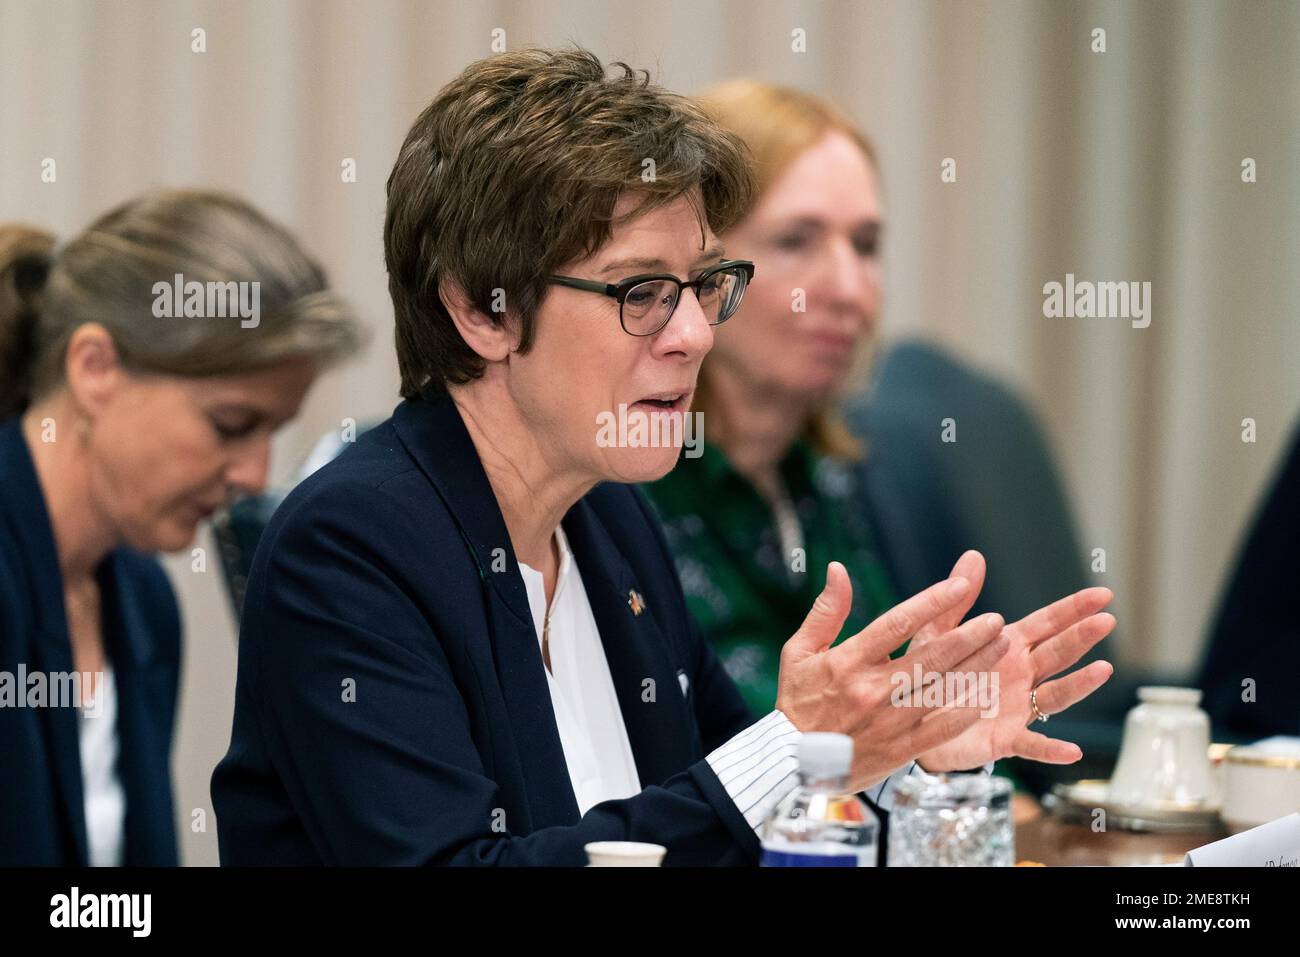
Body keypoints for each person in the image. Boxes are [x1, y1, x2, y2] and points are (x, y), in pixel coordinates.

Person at [210, 47, 1113, 866]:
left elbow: (722, 821)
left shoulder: (611, 522)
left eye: (705, 286)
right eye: (642, 291)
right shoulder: (349, 546)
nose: (691, 334)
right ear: (483, 311)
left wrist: (893, 756)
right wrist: (799, 744)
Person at [0, 189, 362, 865]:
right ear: (95, 369)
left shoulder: (143, 602)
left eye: (273, 433)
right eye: (231, 424)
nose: (255, 475)